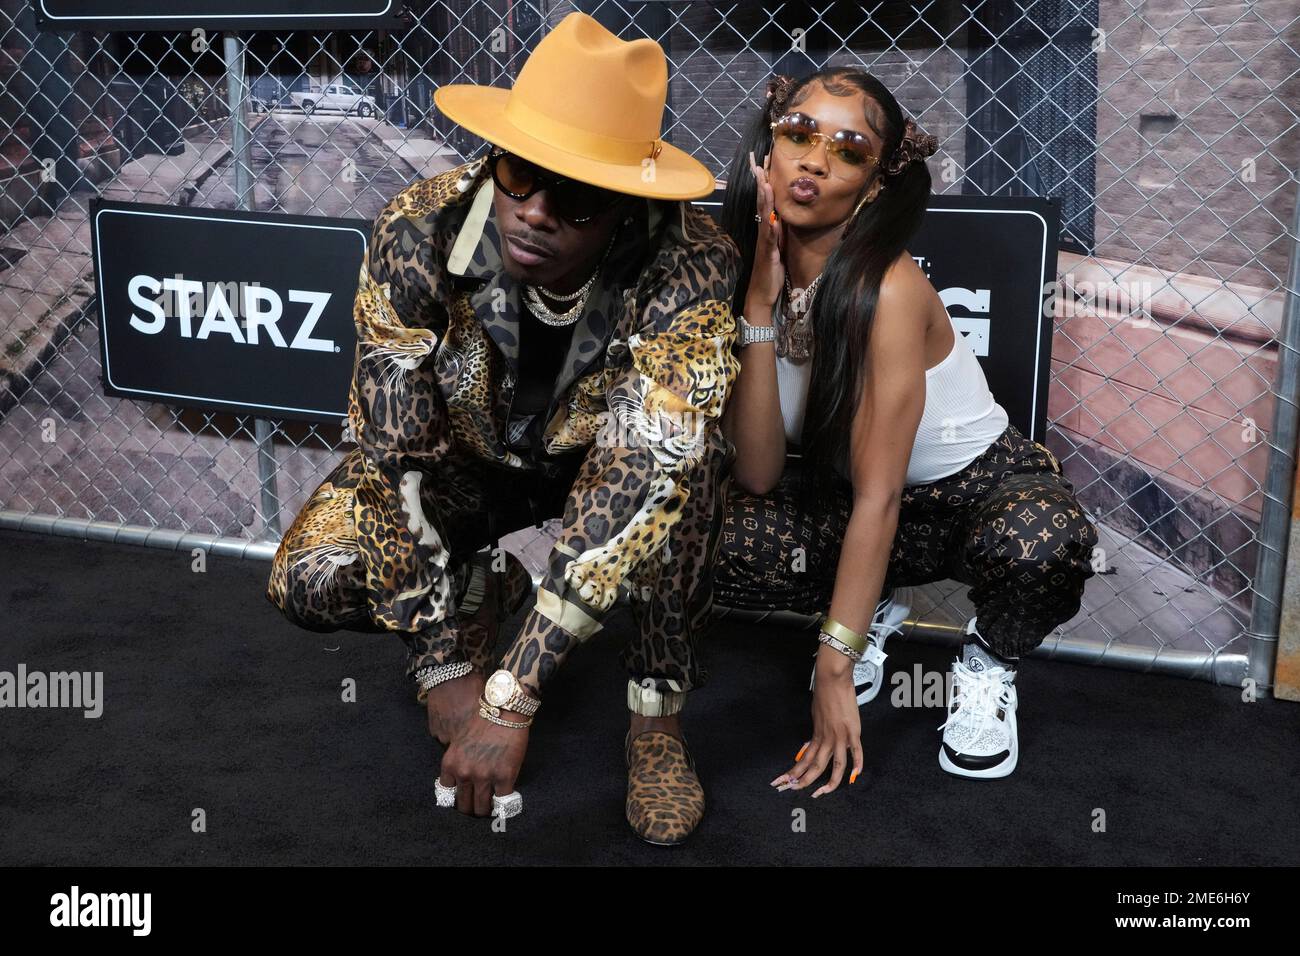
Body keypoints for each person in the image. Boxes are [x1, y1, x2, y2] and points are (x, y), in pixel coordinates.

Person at [266, 12, 740, 845]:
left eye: (579, 195)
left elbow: (643, 467)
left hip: (602, 465)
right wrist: (444, 660)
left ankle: (656, 717)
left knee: (685, 465)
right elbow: (392, 449)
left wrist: (510, 695)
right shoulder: (420, 225)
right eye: (522, 172)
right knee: (313, 576)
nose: (537, 212)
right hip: (466, 462)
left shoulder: (692, 257)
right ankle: (491, 592)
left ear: (628, 205)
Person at [713, 67, 1098, 789]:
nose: (815, 158)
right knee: (722, 535)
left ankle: (986, 663)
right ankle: (875, 604)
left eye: (848, 149)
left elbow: (881, 497)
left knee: (1045, 544)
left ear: (876, 184)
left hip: (969, 495)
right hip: (847, 495)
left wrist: (833, 666)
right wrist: (759, 310)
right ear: (768, 146)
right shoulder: (743, 268)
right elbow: (760, 473)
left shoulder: (888, 288)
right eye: (798, 132)